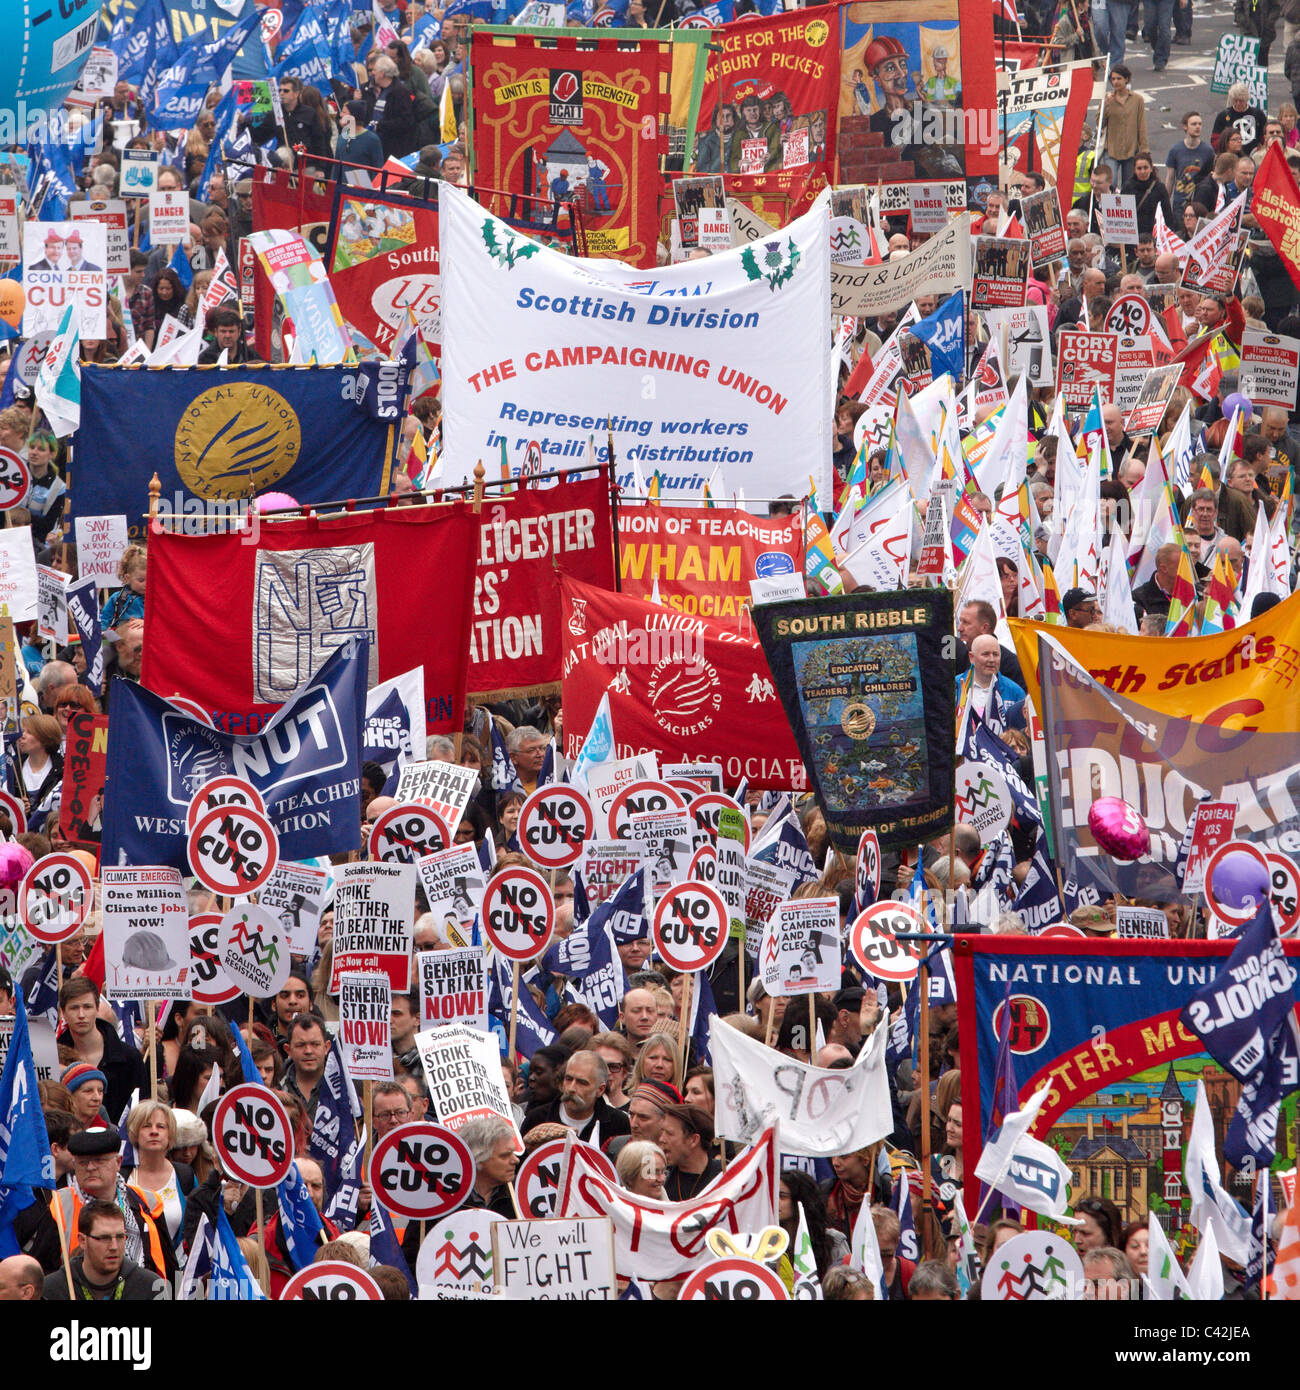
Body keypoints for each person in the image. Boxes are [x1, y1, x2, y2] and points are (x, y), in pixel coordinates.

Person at [57, 977, 148, 1124]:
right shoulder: (54, 1059)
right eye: (74, 1008)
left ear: (97, 1008)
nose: (81, 1015)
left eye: (87, 1007)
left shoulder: (130, 1058)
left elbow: (142, 1110)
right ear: (63, 1012)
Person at [44, 1200, 170, 1302]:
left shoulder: (150, 1286)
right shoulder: (52, 1289)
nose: (114, 1246)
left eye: (120, 1237)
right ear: (82, 1241)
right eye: (104, 1238)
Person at [521, 1050, 630, 1142]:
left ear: (600, 1089)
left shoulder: (619, 1124)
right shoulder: (536, 1119)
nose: (571, 1088)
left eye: (582, 1082)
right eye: (568, 1079)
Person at [658, 1104, 720, 1200]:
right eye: (662, 1132)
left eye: (669, 1133)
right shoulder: (659, 1178)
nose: (661, 1139)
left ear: (693, 1140)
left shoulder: (724, 1176)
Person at [460, 1115, 519, 1216]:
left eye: (514, 1153)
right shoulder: (448, 1199)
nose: (516, 1160)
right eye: (505, 1155)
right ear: (478, 1157)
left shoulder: (521, 1191)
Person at [1212, 84, 1268, 155]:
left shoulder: (1258, 114)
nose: (1238, 103)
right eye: (1235, 100)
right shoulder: (1223, 116)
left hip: (1253, 155)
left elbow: (1265, 136)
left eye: (1241, 101)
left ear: (1246, 99)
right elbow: (1215, 140)